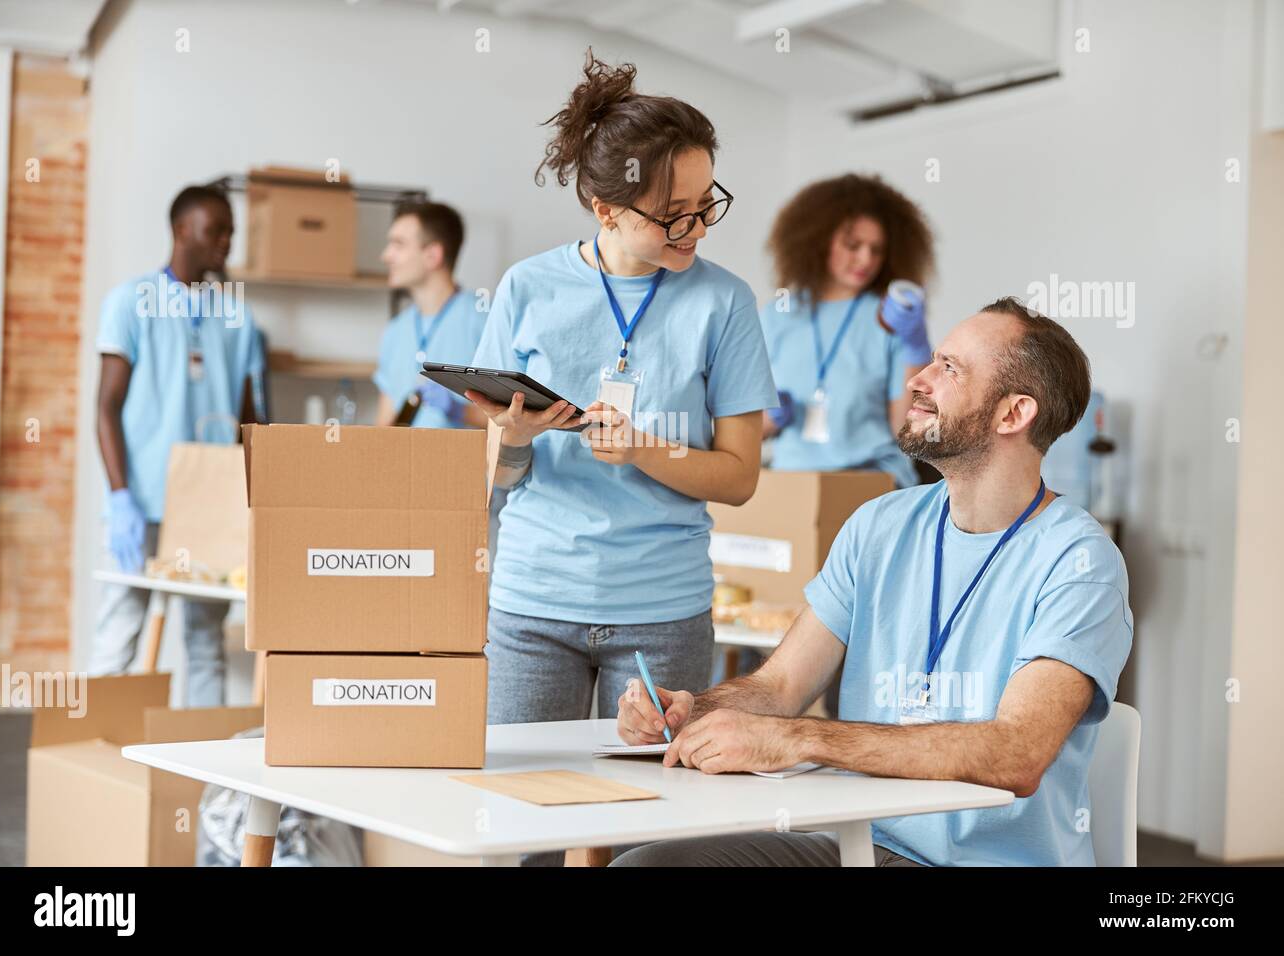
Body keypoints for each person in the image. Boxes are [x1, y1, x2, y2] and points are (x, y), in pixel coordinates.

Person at [613, 298, 1133, 867]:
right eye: (933, 361)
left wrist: (801, 739)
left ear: (1013, 414)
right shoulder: (880, 524)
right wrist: (693, 709)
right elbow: (781, 685)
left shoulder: (1081, 562)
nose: (918, 379)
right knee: (647, 866)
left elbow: (1016, 752)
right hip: (860, 845)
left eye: (950, 369)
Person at [466, 50, 777, 807]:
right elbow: (494, 482)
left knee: (649, 826)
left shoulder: (724, 303)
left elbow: (738, 477)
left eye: (707, 203)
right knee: (517, 820)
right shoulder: (528, 289)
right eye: (673, 213)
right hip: (532, 603)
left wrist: (641, 446)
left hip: (662, 613)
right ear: (606, 210)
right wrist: (515, 440)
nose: (697, 226)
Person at [90, 185, 263, 707]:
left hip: (210, 508)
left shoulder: (239, 319)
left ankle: (199, 780)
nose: (227, 242)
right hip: (140, 504)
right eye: (217, 230)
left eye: (232, 231)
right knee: (117, 635)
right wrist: (121, 498)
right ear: (181, 229)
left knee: (204, 642)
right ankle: (95, 767)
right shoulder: (129, 302)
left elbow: (252, 421)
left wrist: (254, 503)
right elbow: (106, 407)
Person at [761, 174, 934, 489]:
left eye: (876, 249)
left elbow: (904, 430)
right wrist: (766, 421)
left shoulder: (890, 316)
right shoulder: (777, 315)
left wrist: (916, 348)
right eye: (853, 245)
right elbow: (740, 432)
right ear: (818, 241)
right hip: (791, 481)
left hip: (870, 481)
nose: (865, 259)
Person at [373, 200, 487, 428]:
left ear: (432, 255)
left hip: (463, 462)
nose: (386, 256)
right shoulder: (395, 330)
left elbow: (518, 418)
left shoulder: (484, 319)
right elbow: (384, 423)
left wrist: (459, 411)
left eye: (398, 244)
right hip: (405, 462)